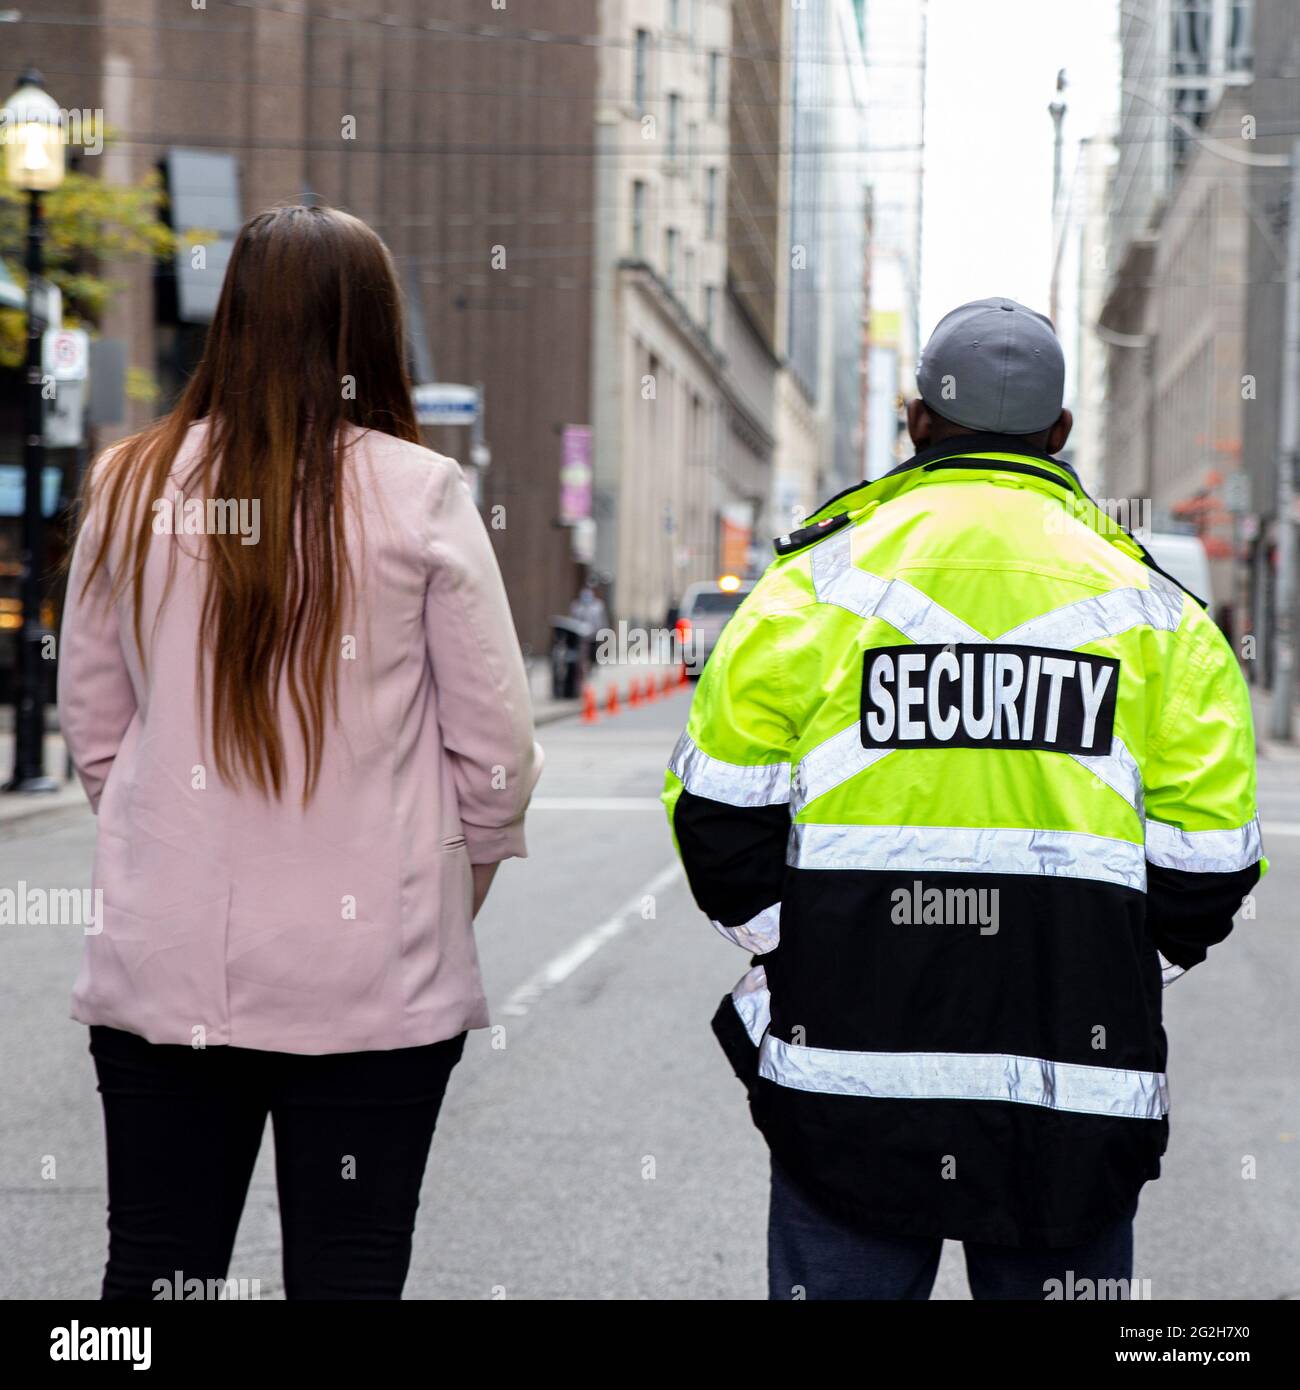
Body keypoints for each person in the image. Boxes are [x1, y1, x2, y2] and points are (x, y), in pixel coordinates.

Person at [663, 296, 1264, 1300]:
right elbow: (1207, 867)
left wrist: (802, 945)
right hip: (1072, 1100)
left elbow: (717, 818)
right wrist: (1106, 955)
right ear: (1059, 432)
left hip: (847, 1090)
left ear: (917, 421)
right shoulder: (1161, 612)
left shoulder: (812, 582)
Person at [57, 205, 542, 1300]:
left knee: (154, 1270)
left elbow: (95, 733)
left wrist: (170, 857)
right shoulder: (419, 493)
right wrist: (437, 897)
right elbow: (497, 753)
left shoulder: (128, 485)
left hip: (169, 968)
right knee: (349, 1271)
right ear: (374, 334)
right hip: (373, 978)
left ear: (230, 318)